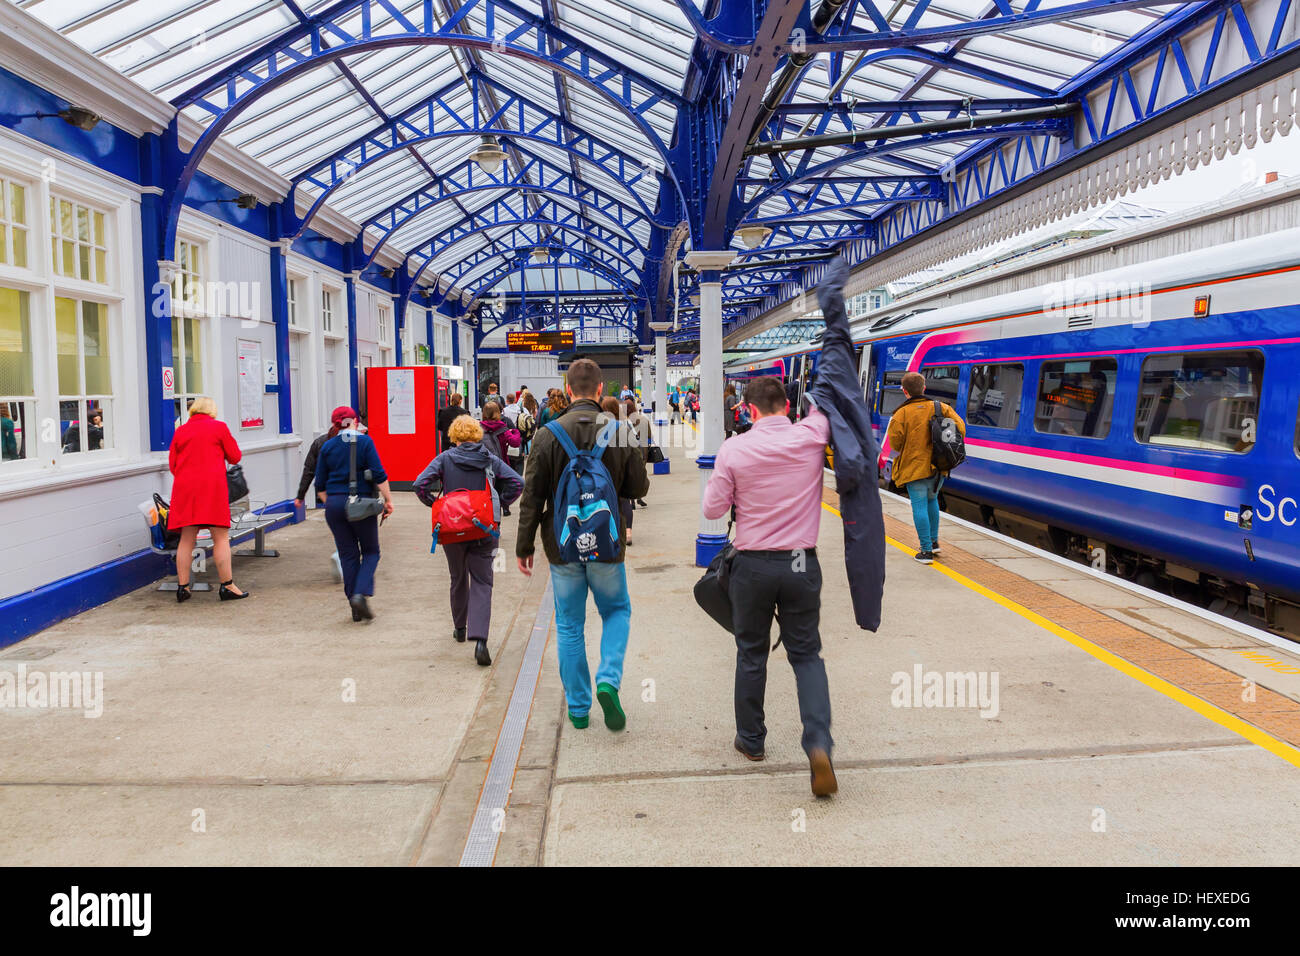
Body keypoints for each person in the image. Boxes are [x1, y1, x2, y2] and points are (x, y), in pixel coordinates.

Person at [701, 375, 838, 798]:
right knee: (807, 656)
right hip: (800, 563)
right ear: (786, 406)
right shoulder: (812, 435)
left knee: (751, 652)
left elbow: (712, 508)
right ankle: (818, 744)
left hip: (753, 566)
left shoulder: (735, 448)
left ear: (750, 410)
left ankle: (752, 740)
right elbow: (825, 409)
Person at [517, 358, 649, 732]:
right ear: (601, 391)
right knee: (617, 611)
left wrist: (523, 546)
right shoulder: (619, 430)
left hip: (562, 547)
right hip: (607, 543)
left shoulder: (547, 434)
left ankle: (578, 709)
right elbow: (639, 488)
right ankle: (608, 679)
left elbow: (531, 497)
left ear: (569, 391)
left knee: (570, 625)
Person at [414, 415, 523, 667]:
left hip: (452, 528)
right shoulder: (489, 459)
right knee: (483, 582)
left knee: (458, 577)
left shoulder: (444, 459)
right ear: (477, 435)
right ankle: (481, 640)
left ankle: (460, 628)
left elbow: (420, 484)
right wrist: (500, 504)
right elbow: (518, 482)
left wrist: (435, 504)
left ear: (454, 436)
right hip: (484, 527)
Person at [315, 406, 395, 621]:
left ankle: (354, 606)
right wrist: (388, 500)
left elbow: (320, 484)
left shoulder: (328, 446)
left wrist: (333, 503)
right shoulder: (365, 442)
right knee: (370, 552)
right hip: (360, 504)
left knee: (348, 554)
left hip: (334, 506)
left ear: (335, 424)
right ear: (354, 421)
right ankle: (360, 594)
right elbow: (379, 474)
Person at [166, 396, 249, 603]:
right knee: (220, 537)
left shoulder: (180, 431)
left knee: (186, 539)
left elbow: (173, 466)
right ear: (212, 410)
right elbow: (235, 457)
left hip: (185, 489)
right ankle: (227, 586)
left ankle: (183, 587)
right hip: (212, 488)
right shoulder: (219, 428)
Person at [885, 371, 966, 565]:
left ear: (905, 392)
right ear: (924, 388)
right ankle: (934, 542)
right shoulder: (941, 407)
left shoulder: (901, 413)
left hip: (914, 467)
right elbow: (961, 429)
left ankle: (926, 551)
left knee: (919, 505)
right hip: (939, 466)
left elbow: (895, 444)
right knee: (933, 501)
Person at [601, 397, 636, 546]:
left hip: (605, 468)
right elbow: (635, 443)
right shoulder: (626, 423)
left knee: (606, 501)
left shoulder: (600, 425)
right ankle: (628, 531)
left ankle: (609, 531)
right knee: (624, 500)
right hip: (623, 465)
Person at [479, 403, 521, 514]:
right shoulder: (502, 428)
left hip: (484, 463)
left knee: (488, 487)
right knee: (502, 486)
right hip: (501, 462)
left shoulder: (478, 428)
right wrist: (516, 432)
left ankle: (490, 509)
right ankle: (504, 507)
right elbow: (515, 442)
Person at [624, 397, 651, 509]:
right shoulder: (643, 419)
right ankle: (639, 497)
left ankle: (631, 501)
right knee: (640, 473)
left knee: (629, 474)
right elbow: (649, 436)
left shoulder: (622, 422)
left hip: (629, 450)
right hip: (642, 450)